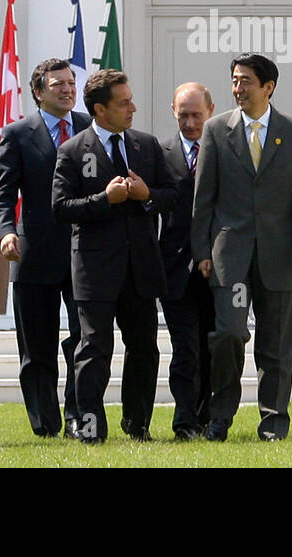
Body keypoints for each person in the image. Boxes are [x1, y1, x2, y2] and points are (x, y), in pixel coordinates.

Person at [191, 52, 292, 442]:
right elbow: (204, 197)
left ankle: (273, 422)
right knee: (229, 334)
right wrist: (202, 250)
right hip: (230, 258)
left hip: (279, 256)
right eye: (234, 80)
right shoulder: (217, 130)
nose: (238, 88)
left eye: (246, 81)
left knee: (278, 345)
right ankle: (220, 417)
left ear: (268, 87)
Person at [51, 70, 177, 444]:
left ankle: (137, 425)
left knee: (144, 348)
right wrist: (105, 200)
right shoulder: (73, 151)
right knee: (94, 349)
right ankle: (89, 428)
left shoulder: (146, 145)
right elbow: (60, 208)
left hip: (140, 269)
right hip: (94, 270)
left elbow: (171, 195)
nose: (133, 108)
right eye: (124, 103)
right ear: (100, 110)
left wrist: (145, 195)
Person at [0, 58, 89, 438]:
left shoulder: (88, 128)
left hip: (85, 254)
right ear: (38, 92)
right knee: (37, 346)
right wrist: (5, 233)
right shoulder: (17, 134)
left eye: (70, 83)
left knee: (84, 340)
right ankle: (45, 424)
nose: (66, 89)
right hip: (34, 253)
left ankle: (79, 418)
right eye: (57, 84)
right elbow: (1, 193)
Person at [158, 82, 217, 440]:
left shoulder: (226, 150)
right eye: (184, 115)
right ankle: (184, 422)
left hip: (217, 269)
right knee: (184, 348)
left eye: (197, 115)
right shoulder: (158, 153)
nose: (191, 123)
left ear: (211, 111)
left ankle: (207, 416)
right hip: (174, 268)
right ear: (173, 112)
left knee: (212, 346)